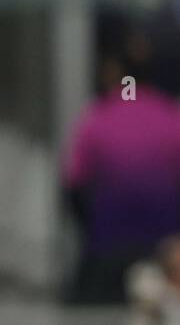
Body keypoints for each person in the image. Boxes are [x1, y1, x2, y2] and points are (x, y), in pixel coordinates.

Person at [64, 53, 180, 304]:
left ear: (112, 74)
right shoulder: (172, 117)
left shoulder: (96, 118)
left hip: (107, 254)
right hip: (166, 255)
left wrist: (92, 231)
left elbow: (72, 187)